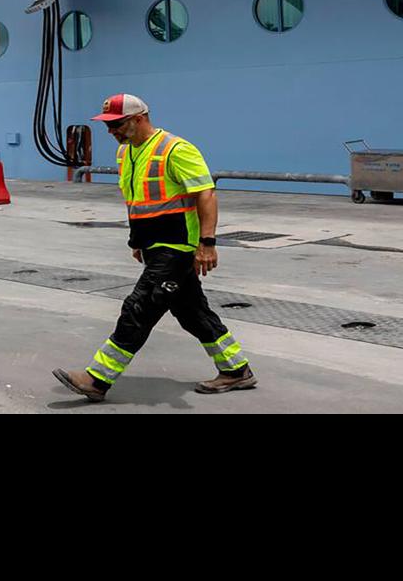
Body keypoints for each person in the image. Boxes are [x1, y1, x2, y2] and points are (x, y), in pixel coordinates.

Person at [53, 93, 257, 402]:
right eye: (108, 126)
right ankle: (236, 370)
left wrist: (207, 243)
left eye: (117, 125)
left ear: (139, 119)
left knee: (140, 306)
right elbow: (136, 201)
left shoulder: (176, 149)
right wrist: (137, 241)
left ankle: (98, 378)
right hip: (153, 245)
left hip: (177, 246)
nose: (112, 132)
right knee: (192, 312)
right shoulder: (126, 153)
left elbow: (206, 195)